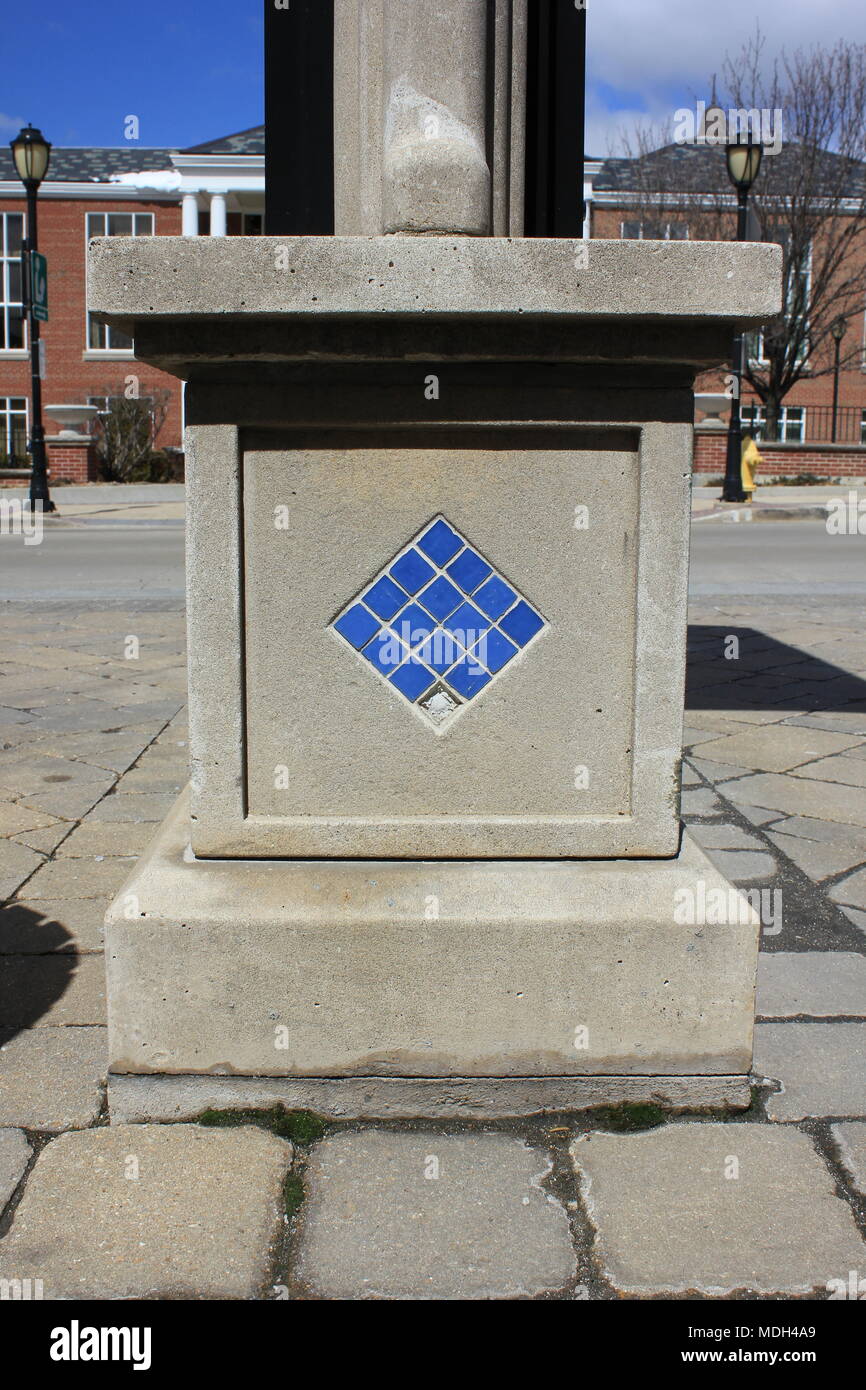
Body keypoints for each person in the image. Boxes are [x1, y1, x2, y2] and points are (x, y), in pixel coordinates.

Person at [740, 432, 763, 502]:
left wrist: (754, 459)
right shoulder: (750, 444)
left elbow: (749, 457)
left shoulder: (746, 444)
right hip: (746, 479)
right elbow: (750, 457)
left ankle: (747, 498)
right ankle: (747, 498)